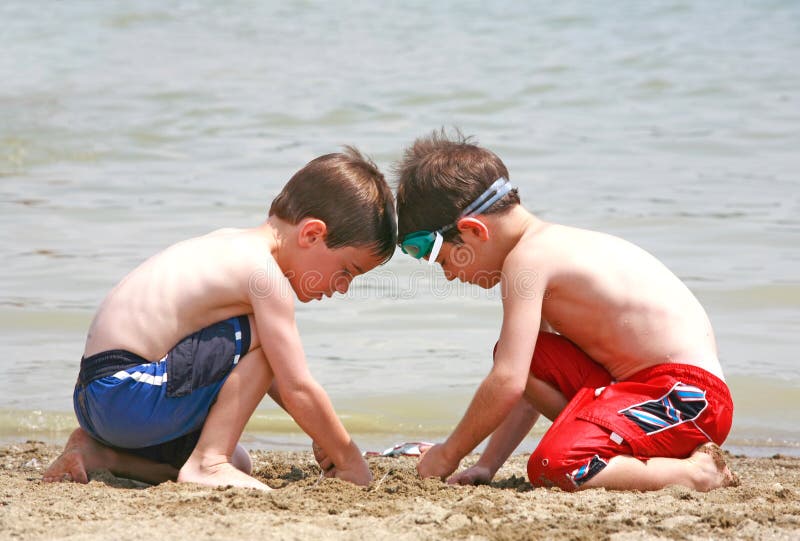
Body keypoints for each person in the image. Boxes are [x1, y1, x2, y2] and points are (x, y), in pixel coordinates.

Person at [394, 130, 738, 492]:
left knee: (553, 465)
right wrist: (486, 465)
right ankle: (609, 443)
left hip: (686, 398)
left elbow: (507, 383)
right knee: (527, 357)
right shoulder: (542, 249)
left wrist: (448, 454)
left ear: (474, 231)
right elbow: (524, 383)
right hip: (641, 390)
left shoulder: (527, 262)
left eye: (444, 259)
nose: (449, 275)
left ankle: (696, 474)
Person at [43, 147, 397, 490]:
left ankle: (99, 455)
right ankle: (209, 463)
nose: (343, 287)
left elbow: (260, 370)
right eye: (347, 271)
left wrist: (320, 433)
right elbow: (296, 385)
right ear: (312, 234)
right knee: (262, 336)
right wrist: (349, 459)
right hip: (126, 393)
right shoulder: (265, 278)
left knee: (241, 461)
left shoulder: (230, 244)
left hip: (98, 398)